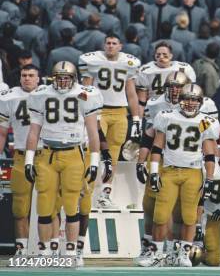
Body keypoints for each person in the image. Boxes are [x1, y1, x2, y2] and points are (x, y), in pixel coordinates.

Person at [23, 62, 103, 262]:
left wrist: (94, 161)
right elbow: (34, 131)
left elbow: (93, 132)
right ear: (53, 77)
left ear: (74, 78)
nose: (62, 81)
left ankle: (70, 251)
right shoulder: (41, 94)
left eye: (66, 77)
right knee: (44, 205)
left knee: (71, 205)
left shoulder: (86, 94)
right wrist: (28, 160)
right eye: (59, 77)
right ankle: (45, 251)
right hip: (47, 154)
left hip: (74, 153)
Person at [140, 84, 220, 267]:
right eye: (187, 99)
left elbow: (209, 154)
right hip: (169, 171)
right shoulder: (166, 116)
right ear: (180, 100)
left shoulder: (207, 121)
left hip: (193, 173)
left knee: (189, 216)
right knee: (160, 215)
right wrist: (153, 172)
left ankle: (184, 253)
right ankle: (157, 254)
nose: (190, 103)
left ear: (200, 102)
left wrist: (210, 178)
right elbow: (157, 147)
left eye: (194, 99)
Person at [78, 34, 141, 209]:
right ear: (104, 45)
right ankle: (84, 190)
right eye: (108, 43)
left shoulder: (128, 63)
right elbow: (86, 89)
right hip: (99, 110)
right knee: (93, 150)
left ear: (120, 46)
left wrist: (136, 119)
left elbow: (131, 93)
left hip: (120, 112)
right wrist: (89, 112)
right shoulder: (93, 60)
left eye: (114, 43)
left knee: (113, 155)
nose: (111, 46)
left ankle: (105, 194)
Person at [135, 71, 191, 264]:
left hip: (186, 162)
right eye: (172, 86)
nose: (175, 90)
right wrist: (141, 161)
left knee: (183, 210)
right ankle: (151, 246)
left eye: (179, 87)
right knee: (151, 205)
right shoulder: (155, 104)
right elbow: (149, 136)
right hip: (160, 159)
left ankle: (177, 248)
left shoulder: (201, 104)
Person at [0, 64, 40, 256]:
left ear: (39, 78)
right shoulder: (9, 97)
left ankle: (46, 249)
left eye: (31, 75)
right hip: (21, 154)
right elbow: (1, 133)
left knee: (48, 206)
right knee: (20, 205)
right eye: (24, 75)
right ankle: (21, 248)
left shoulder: (49, 94)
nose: (27, 78)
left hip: (46, 155)